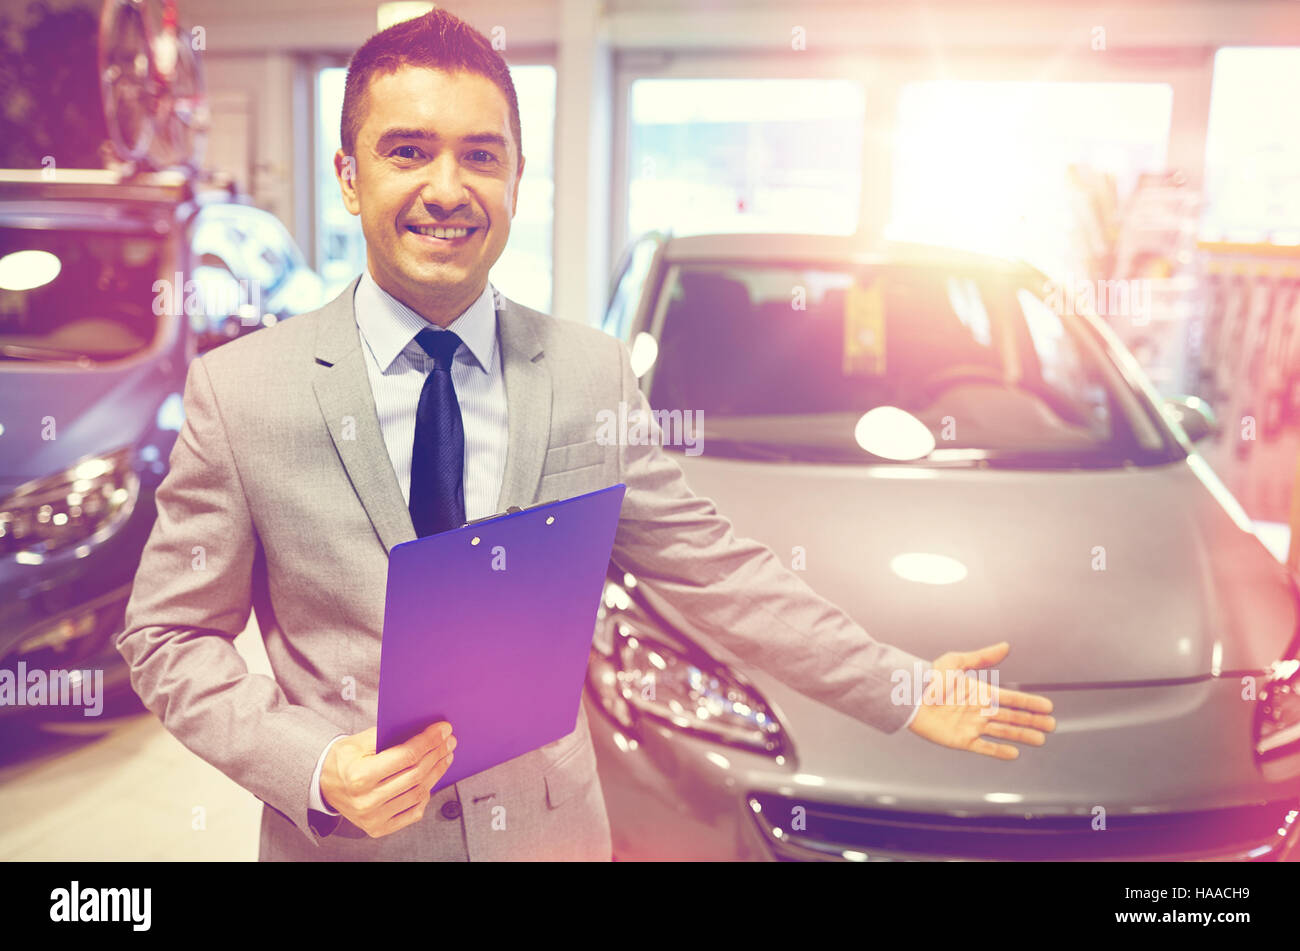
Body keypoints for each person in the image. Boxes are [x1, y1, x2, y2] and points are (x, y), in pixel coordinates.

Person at [117, 7, 1055, 862]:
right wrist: (313, 764)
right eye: (408, 151)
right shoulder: (241, 392)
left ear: (518, 179)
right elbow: (168, 634)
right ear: (349, 176)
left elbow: (716, 568)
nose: (448, 188)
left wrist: (903, 686)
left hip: (550, 838)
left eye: (481, 155)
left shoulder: (589, 374)